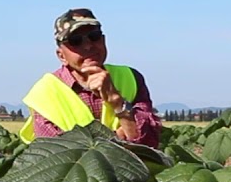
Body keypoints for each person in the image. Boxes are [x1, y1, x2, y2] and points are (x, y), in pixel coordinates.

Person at [19, 8, 162, 146]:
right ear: (61, 55)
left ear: (103, 40)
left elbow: (149, 143)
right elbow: (56, 155)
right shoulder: (44, 93)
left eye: (94, 37)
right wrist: (117, 138)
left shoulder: (131, 78)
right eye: (75, 41)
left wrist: (116, 101)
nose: (88, 46)